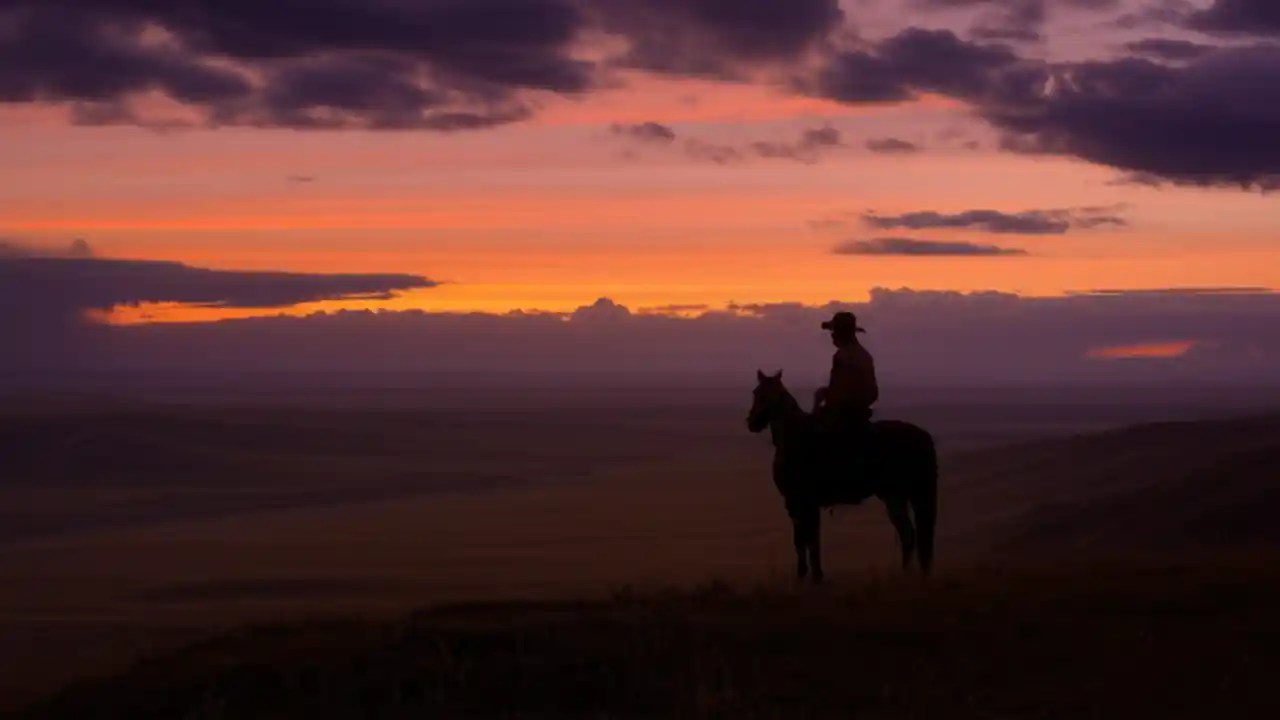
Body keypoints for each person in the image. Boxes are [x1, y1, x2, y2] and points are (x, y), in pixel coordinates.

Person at [813, 311, 878, 497]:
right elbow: (871, 391)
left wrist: (822, 400)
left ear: (841, 333)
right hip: (861, 410)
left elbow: (840, 390)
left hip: (845, 412)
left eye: (834, 331)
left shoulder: (843, 356)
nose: (831, 335)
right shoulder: (864, 355)